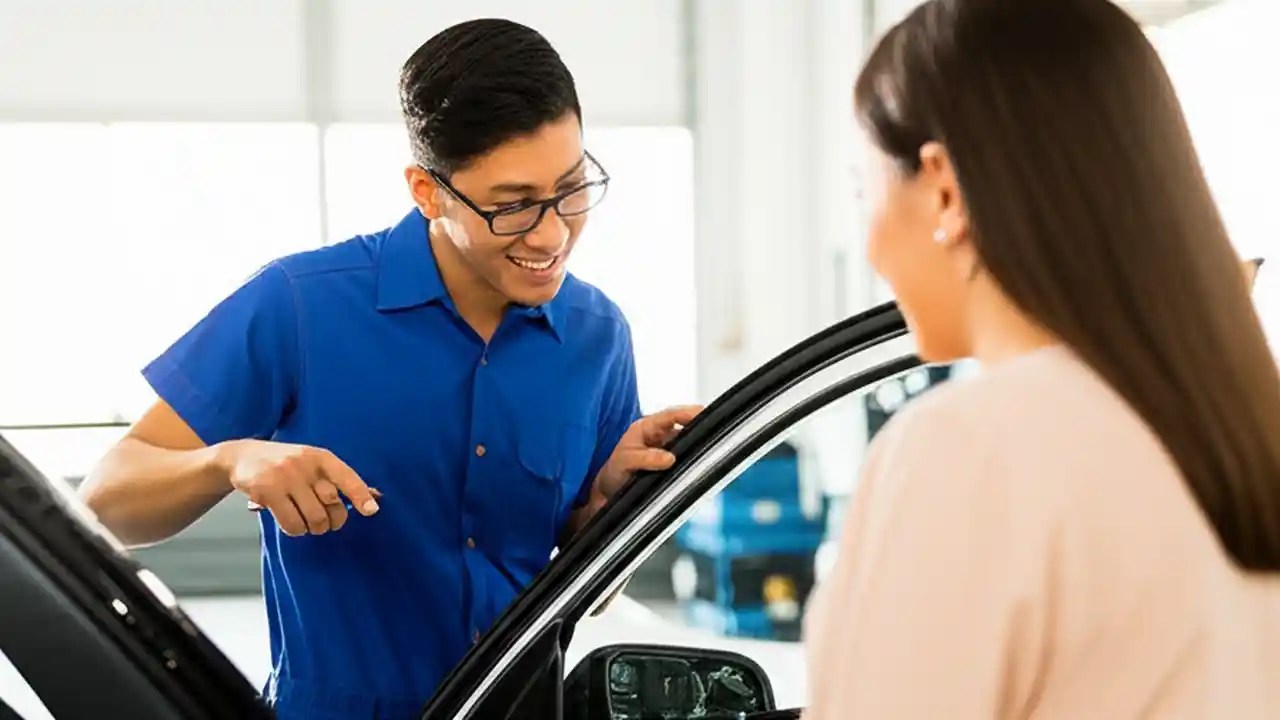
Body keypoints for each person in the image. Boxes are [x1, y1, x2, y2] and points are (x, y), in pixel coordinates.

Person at [80, 19, 697, 719]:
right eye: (513, 206)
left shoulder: (597, 335)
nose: (552, 233)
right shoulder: (299, 307)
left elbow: (582, 587)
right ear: (427, 191)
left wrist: (611, 509)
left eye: (571, 188)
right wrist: (229, 461)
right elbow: (105, 502)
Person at [803, 1, 1280, 718]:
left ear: (942, 188)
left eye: (862, 190)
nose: (869, 249)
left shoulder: (967, 448)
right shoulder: (1242, 428)